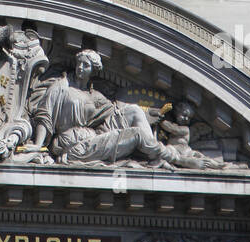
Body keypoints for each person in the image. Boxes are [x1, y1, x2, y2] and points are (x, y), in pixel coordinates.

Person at [28, 50, 175, 167]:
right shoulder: (62, 86)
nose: (80, 67)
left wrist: (148, 113)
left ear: (93, 70)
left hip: (93, 136)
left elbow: (116, 111)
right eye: (78, 63)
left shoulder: (95, 96)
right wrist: (38, 145)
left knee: (135, 111)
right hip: (72, 143)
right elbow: (45, 115)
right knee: (136, 134)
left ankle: (154, 155)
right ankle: (171, 156)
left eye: (85, 65)